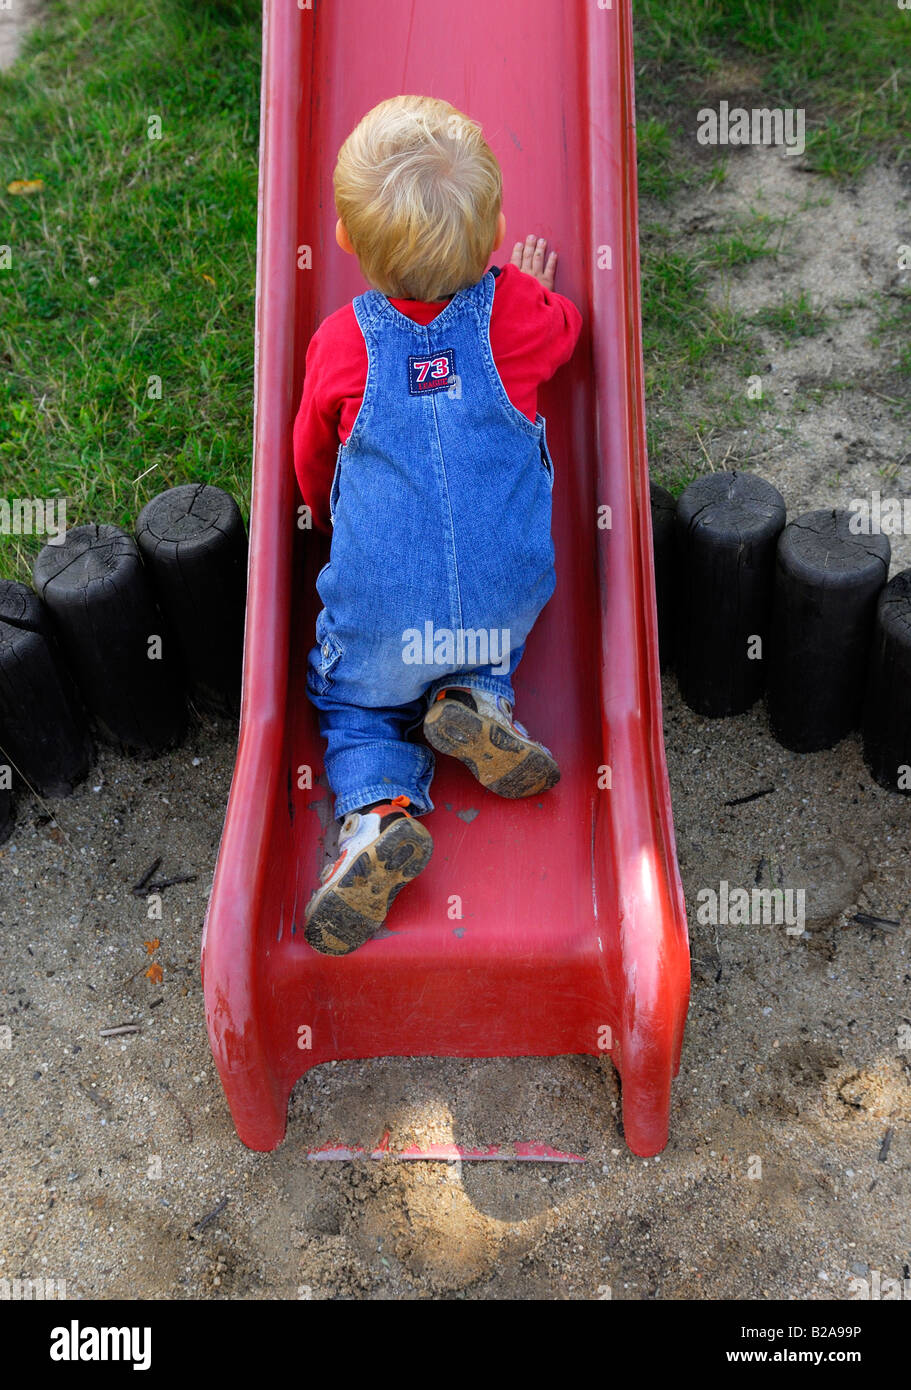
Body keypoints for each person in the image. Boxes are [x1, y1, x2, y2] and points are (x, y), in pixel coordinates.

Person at [292, 95, 582, 955]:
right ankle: (476, 695)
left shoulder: (343, 343)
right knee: (483, 619)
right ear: (493, 238)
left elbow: (315, 458)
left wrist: (319, 521)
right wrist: (533, 288)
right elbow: (564, 334)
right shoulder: (517, 315)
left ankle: (377, 816)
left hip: (383, 619)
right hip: (504, 596)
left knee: (353, 707)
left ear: (346, 241)